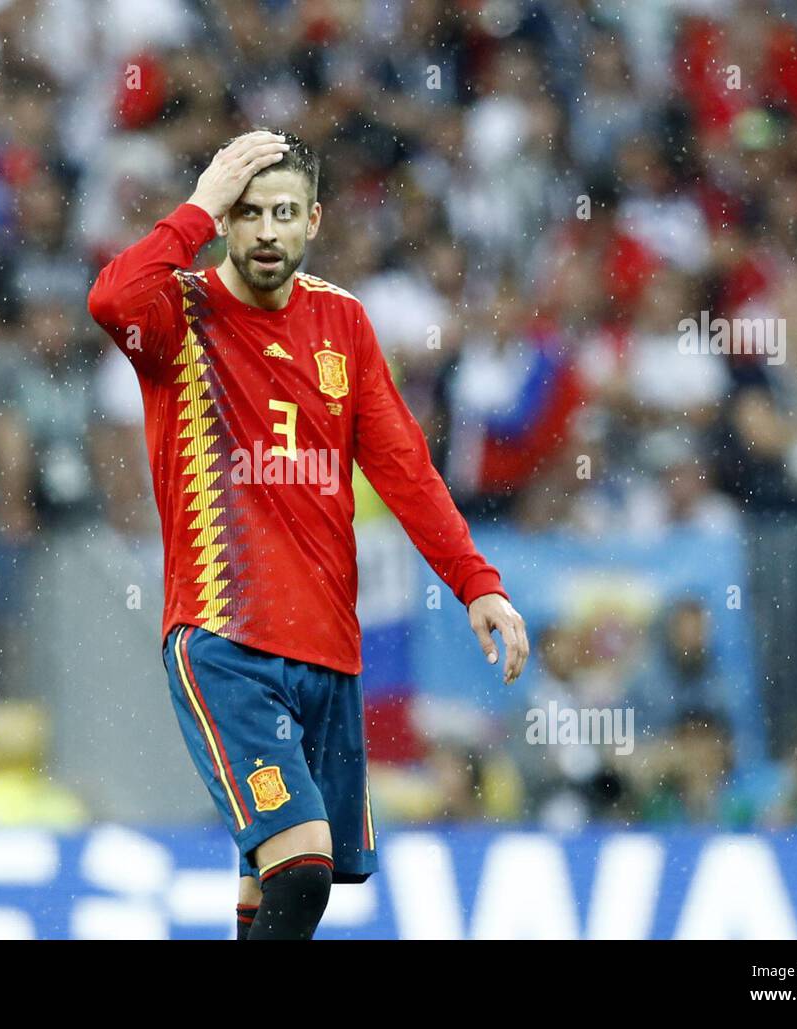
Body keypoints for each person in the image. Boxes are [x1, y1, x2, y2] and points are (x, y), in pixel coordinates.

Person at [88, 129, 529, 940]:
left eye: (282, 212)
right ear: (225, 218)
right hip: (224, 637)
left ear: (314, 220)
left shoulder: (345, 323)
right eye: (246, 211)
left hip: (328, 648)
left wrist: (478, 582)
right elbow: (111, 300)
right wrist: (195, 204)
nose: (263, 231)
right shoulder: (178, 314)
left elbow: (406, 470)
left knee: (278, 879)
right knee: (301, 864)